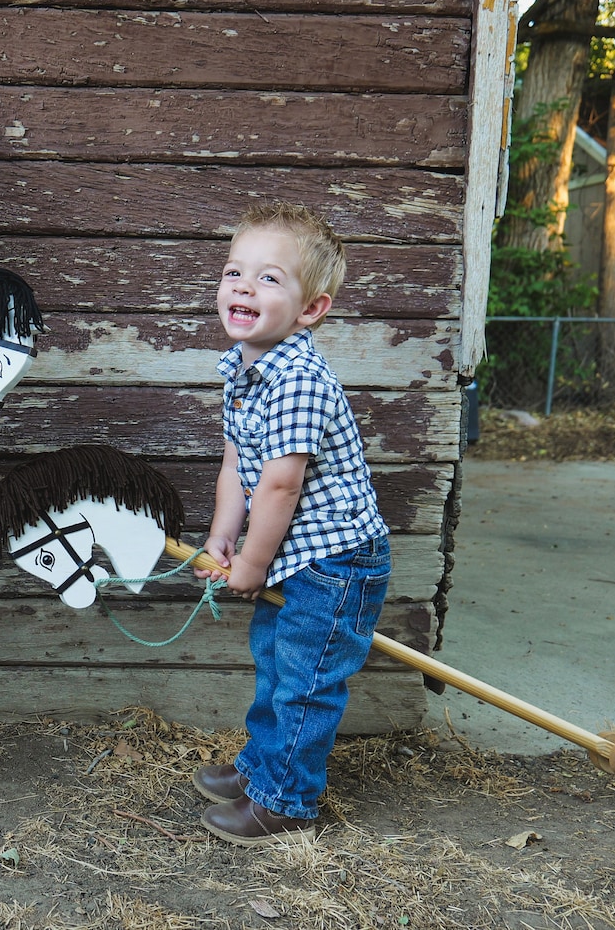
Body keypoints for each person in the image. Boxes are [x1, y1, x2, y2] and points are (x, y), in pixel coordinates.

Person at [194, 203, 392, 845]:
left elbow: (280, 484)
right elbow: (237, 466)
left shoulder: (298, 380)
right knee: (275, 662)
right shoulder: (243, 370)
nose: (243, 286)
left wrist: (250, 564)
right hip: (296, 553)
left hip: (336, 562)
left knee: (305, 679)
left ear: (311, 310)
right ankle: (260, 767)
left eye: (269, 278)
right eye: (234, 272)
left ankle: (285, 800)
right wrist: (226, 533)